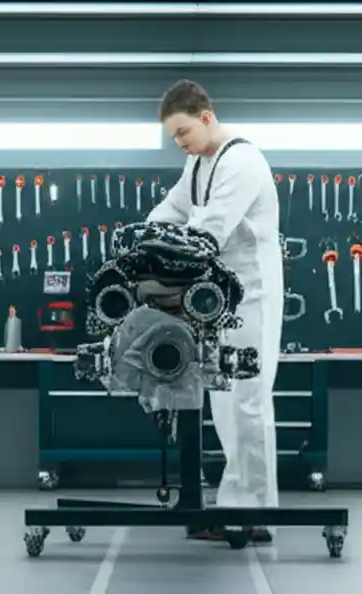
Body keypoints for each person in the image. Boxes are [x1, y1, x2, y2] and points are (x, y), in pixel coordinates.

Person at [145, 79, 283, 542]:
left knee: (248, 401)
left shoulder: (242, 161)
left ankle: (256, 513)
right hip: (221, 298)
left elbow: (210, 227)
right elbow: (174, 208)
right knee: (224, 402)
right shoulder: (199, 164)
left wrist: (167, 245)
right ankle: (234, 506)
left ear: (206, 117)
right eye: (174, 138)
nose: (179, 143)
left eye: (183, 132)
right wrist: (143, 236)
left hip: (253, 295)